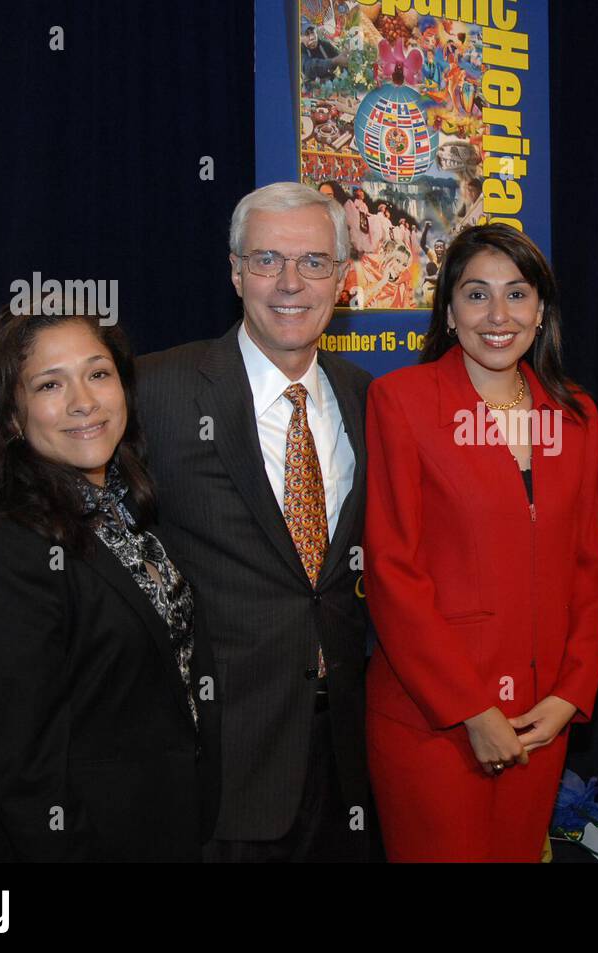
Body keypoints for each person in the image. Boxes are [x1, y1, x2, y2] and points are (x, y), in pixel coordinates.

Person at [0, 308, 219, 861]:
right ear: (9, 415)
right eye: (50, 384)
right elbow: (28, 775)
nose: (84, 401)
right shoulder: (2, 553)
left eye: (98, 374)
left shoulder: (125, 518)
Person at [136, 182, 373, 862]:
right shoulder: (157, 389)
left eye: (314, 262)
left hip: (347, 762)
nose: (290, 282)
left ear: (344, 278)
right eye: (267, 260)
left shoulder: (367, 398)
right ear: (236, 271)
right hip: (220, 762)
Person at [364, 223, 598, 861]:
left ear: (541, 311)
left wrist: (570, 695)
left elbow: (590, 565)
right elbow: (393, 572)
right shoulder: (402, 402)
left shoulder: (576, 415)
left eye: (517, 294)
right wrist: (473, 710)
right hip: (436, 724)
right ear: (448, 311)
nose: (498, 315)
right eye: (476, 295)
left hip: (541, 721)